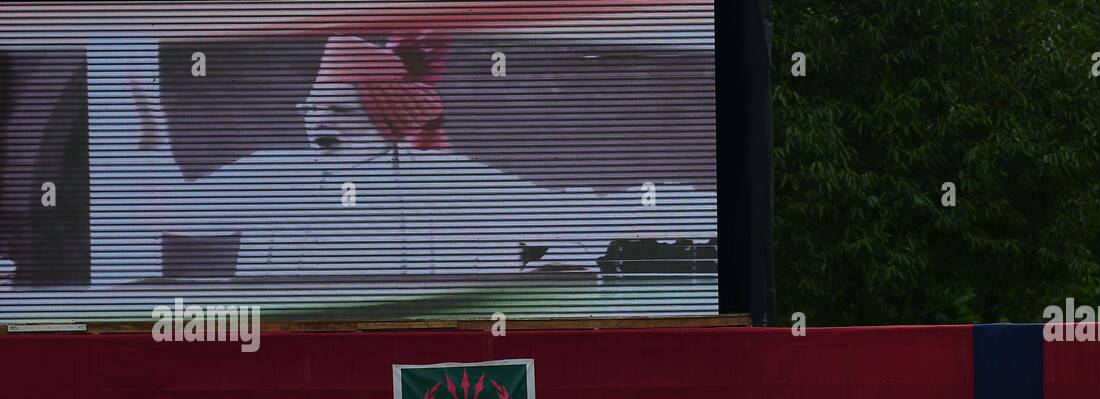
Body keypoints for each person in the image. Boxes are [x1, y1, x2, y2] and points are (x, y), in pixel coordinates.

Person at [125, 35, 715, 278]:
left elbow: (575, 213)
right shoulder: (271, 174)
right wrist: (147, 124)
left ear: (382, 120)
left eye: (341, 111)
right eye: (314, 108)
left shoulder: (444, 181)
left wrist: (706, 211)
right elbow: (169, 210)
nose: (320, 123)